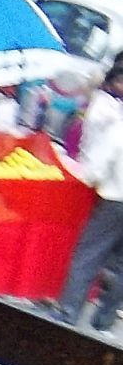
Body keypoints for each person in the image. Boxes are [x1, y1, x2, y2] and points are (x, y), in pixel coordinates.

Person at [56, 62, 123, 331]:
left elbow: (102, 160)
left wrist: (87, 178)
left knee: (89, 254)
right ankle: (104, 318)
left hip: (114, 197)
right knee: (121, 263)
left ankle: (68, 311)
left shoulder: (118, 123)